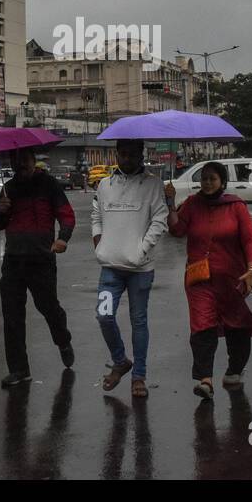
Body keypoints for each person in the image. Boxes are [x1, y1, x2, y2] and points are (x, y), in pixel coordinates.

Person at [164, 162, 252, 401]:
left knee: (238, 326)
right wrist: (170, 204)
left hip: (234, 280)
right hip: (200, 280)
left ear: (222, 182)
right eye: (204, 179)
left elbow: (250, 240)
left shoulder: (236, 206)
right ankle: (205, 379)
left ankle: (234, 369)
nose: (207, 183)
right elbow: (177, 230)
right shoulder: (192, 204)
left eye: (212, 179)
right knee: (202, 325)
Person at [0, 147, 77, 387]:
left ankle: (63, 339)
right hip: (13, 261)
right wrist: (1, 210)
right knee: (12, 316)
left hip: (42, 260)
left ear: (33, 160)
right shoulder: (8, 188)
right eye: (16, 161)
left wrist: (63, 238)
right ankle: (19, 369)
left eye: (25, 160)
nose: (22, 165)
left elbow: (66, 215)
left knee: (48, 307)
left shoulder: (49, 184)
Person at [91, 140, 169, 399]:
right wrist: (98, 243)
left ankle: (139, 377)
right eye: (122, 154)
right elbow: (96, 216)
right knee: (103, 315)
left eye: (132, 154)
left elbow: (160, 220)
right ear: (116, 154)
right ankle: (120, 360)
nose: (126, 158)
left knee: (139, 322)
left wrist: (141, 250)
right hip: (109, 268)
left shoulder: (153, 184)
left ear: (141, 155)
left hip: (141, 270)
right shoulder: (104, 185)